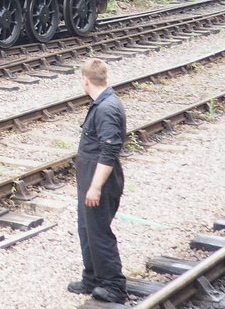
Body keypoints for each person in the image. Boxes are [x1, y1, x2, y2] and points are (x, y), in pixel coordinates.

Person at [69, 58, 128, 304]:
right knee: (87, 229)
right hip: (90, 177)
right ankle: (92, 277)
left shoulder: (107, 108)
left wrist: (95, 186)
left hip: (100, 180)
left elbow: (109, 151)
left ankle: (114, 285)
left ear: (85, 81)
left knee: (99, 232)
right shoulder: (101, 103)